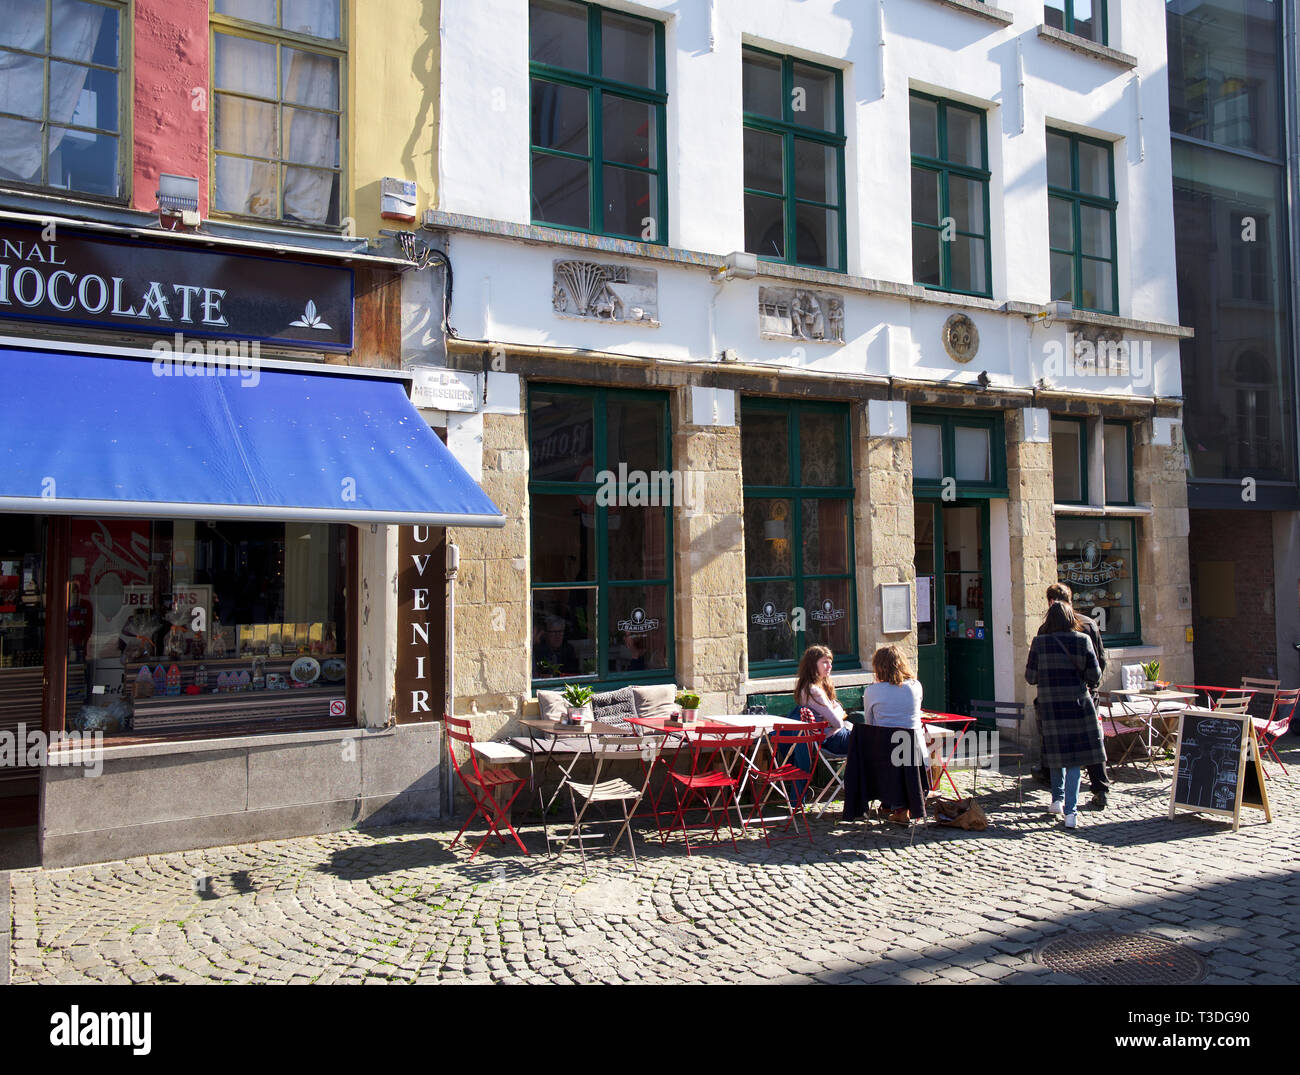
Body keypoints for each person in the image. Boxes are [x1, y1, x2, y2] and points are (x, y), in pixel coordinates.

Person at [1025, 601, 1104, 829]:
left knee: (1056, 753)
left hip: (1051, 707)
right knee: (1075, 760)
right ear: (1071, 618)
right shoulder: (1083, 640)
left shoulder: (1040, 643)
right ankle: (1071, 812)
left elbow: (1030, 677)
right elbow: (1094, 676)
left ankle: (1057, 800)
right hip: (1078, 705)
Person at [1035, 583, 1110, 809]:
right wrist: (1091, 685)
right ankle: (1099, 788)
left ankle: (1056, 789)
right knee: (1089, 741)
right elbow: (1101, 660)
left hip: (1055, 696)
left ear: (1051, 602)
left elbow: (1035, 670)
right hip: (1084, 694)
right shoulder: (1088, 625)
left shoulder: (1045, 631)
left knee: (1055, 740)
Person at [863, 645, 927, 823]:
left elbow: (870, 724)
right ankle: (902, 805)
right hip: (915, 754)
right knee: (904, 749)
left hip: (884, 756)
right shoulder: (915, 687)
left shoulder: (871, 691)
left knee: (884, 748)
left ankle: (894, 806)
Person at [793, 644, 851, 755]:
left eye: (830, 662)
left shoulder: (806, 687)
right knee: (871, 740)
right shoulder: (813, 691)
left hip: (829, 738)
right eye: (825, 662)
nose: (829, 666)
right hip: (831, 740)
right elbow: (838, 723)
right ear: (812, 665)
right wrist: (838, 710)